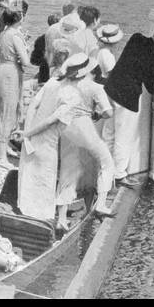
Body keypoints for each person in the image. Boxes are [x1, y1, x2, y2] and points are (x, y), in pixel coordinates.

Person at [103, 23, 154, 187]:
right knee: (123, 138)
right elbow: (150, 87)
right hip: (126, 97)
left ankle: (104, 168)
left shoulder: (136, 38)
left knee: (109, 132)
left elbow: (133, 62)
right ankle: (119, 175)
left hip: (111, 89)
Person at [15, 51, 80, 222]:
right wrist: (28, 133)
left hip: (32, 138)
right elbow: (51, 121)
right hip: (47, 142)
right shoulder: (72, 95)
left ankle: (25, 217)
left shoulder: (51, 82)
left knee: (28, 180)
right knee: (45, 183)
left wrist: (27, 133)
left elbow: (33, 106)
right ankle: (43, 223)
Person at [56, 50, 115, 219]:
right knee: (106, 163)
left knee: (68, 170)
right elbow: (108, 112)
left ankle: (61, 218)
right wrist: (96, 115)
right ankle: (101, 204)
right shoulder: (96, 87)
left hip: (67, 128)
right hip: (85, 128)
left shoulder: (66, 85)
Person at [0, 5, 29, 160]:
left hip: (0, 69)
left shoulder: (4, 33)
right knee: (8, 110)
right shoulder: (16, 35)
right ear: (19, 18)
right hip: (10, 73)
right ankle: (2, 155)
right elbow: (25, 61)